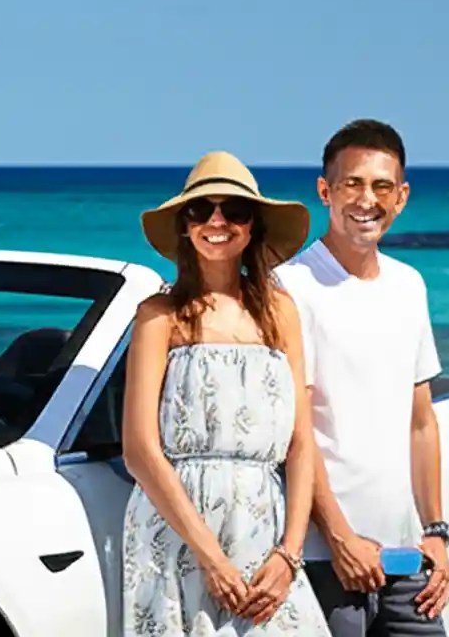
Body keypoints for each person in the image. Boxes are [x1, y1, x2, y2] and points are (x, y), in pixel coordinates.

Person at [121, 150, 331, 636]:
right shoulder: (160, 315)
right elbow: (140, 450)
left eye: (233, 211)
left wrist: (289, 555)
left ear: (252, 225)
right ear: (185, 226)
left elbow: (301, 444)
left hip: (265, 530)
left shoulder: (279, 311)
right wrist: (209, 557)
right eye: (201, 210)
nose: (217, 221)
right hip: (177, 535)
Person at [272, 119, 449, 635]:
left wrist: (436, 534)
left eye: (381, 186)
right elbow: (295, 430)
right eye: (352, 183)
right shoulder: (290, 287)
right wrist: (339, 537)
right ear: (325, 191)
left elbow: (420, 422)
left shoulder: (408, 285)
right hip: (325, 560)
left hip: (405, 558)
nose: (366, 199)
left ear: (401, 197)